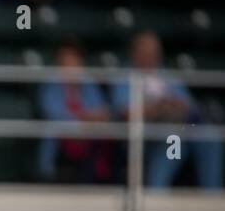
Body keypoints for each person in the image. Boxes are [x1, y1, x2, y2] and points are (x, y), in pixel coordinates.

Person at [112, 31, 223, 191]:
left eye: (154, 53)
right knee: (174, 142)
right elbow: (125, 112)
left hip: (179, 128)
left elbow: (189, 106)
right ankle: (156, 192)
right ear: (134, 53)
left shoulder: (165, 74)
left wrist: (172, 104)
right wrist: (156, 108)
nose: (151, 57)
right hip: (148, 134)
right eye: (146, 53)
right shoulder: (126, 76)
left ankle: (212, 195)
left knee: (210, 136)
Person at [37, 39, 114, 183]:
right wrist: (83, 120)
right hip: (63, 135)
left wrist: (84, 119)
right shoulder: (51, 83)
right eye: (66, 63)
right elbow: (53, 114)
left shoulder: (87, 82)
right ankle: (48, 175)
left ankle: (94, 181)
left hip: (88, 134)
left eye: (73, 62)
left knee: (104, 134)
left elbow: (102, 111)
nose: (70, 68)